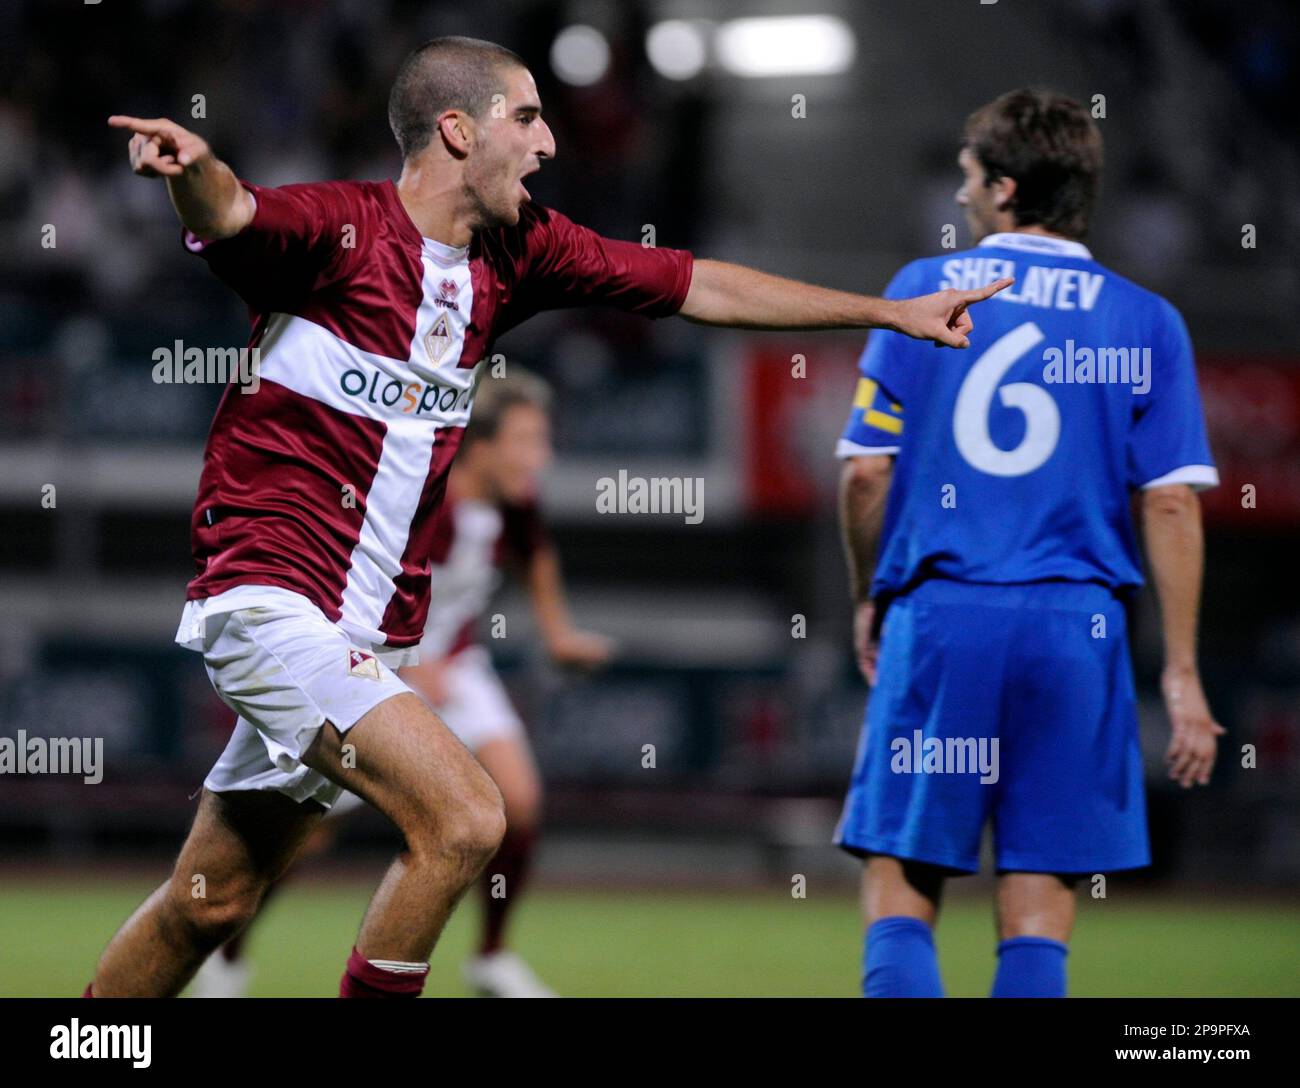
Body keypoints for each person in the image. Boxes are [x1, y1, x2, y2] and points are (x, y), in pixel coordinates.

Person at [89, 35, 1007, 998]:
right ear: (457, 129)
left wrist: (887, 312)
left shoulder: (518, 252)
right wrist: (192, 173)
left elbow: (698, 284)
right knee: (466, 820)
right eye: (526, 116)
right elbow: (232, 210)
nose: (550, 141)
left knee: (210, 902)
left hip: (365, 634)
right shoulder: (337, 230)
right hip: (270, 602)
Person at [834, 88, 1224, 998]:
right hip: (1080, 629)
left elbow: (863, 474)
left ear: (1006, 189)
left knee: (899, 878)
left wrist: (867, 592)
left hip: (943, 612)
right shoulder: (1147, 321)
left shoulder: (921, 291)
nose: (961, 196)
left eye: (969, 178)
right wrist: (1183, 670)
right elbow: (1170, 505)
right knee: (1039, 895)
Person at [192, 369, 604, 998]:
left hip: (457, 668)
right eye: (525, 440)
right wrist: (407, 663)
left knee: (518, 801)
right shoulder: (420, 498)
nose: (539, 456)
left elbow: (537, 556)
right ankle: (228, 957)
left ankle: (491, 957)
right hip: (378, 663)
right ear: (481, 444)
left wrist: (558, 633)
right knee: (303, 833)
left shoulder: (516, 504)